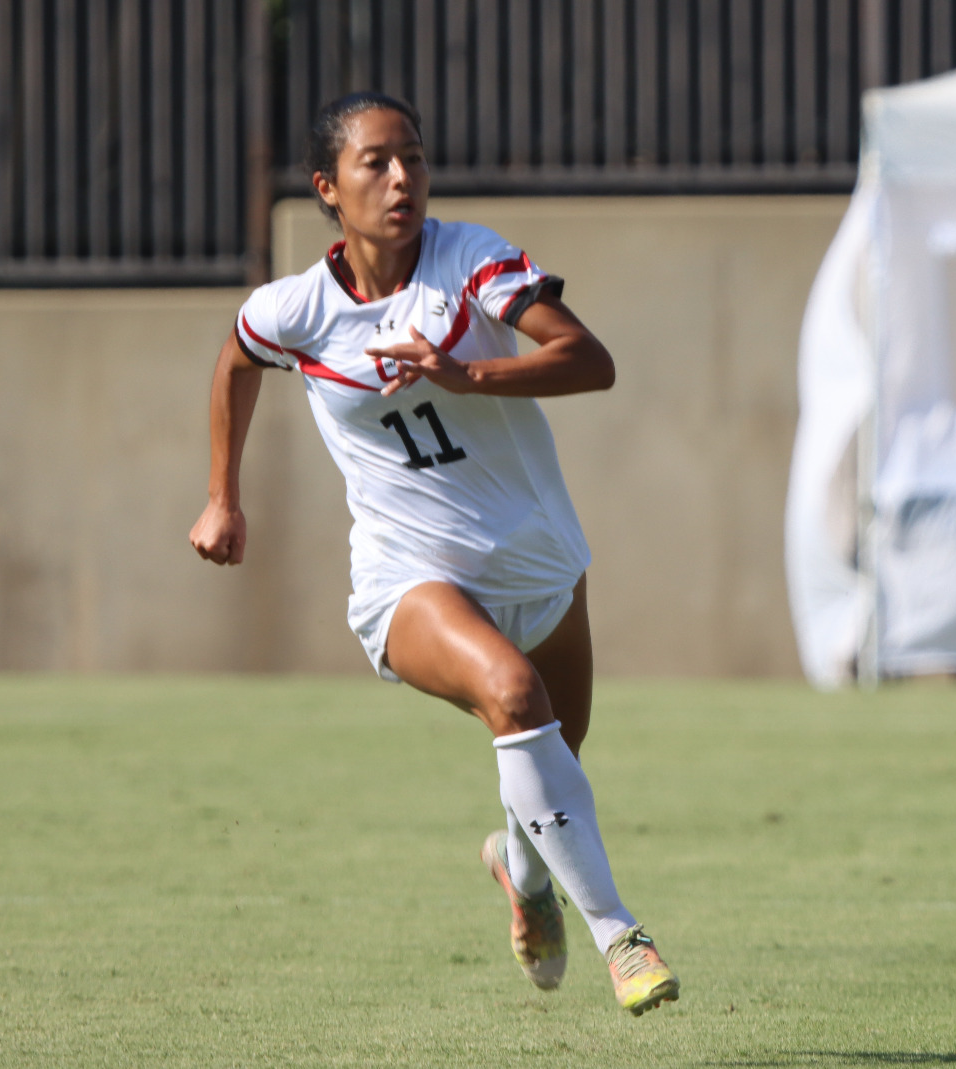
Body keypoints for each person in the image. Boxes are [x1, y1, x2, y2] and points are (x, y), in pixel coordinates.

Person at [188, 91, 679, 1016]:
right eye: (376, 163)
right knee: (513, 694)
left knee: (554, 760)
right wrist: (223, 495)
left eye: (413, 156)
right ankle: (623, 936)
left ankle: (522, 875)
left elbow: (589, 358)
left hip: (541, 566)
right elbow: (237, 356)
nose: (403, 177)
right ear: (329, 188)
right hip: (408, 577)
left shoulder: (473, 261)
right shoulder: (294, 307)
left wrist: (469, 373)